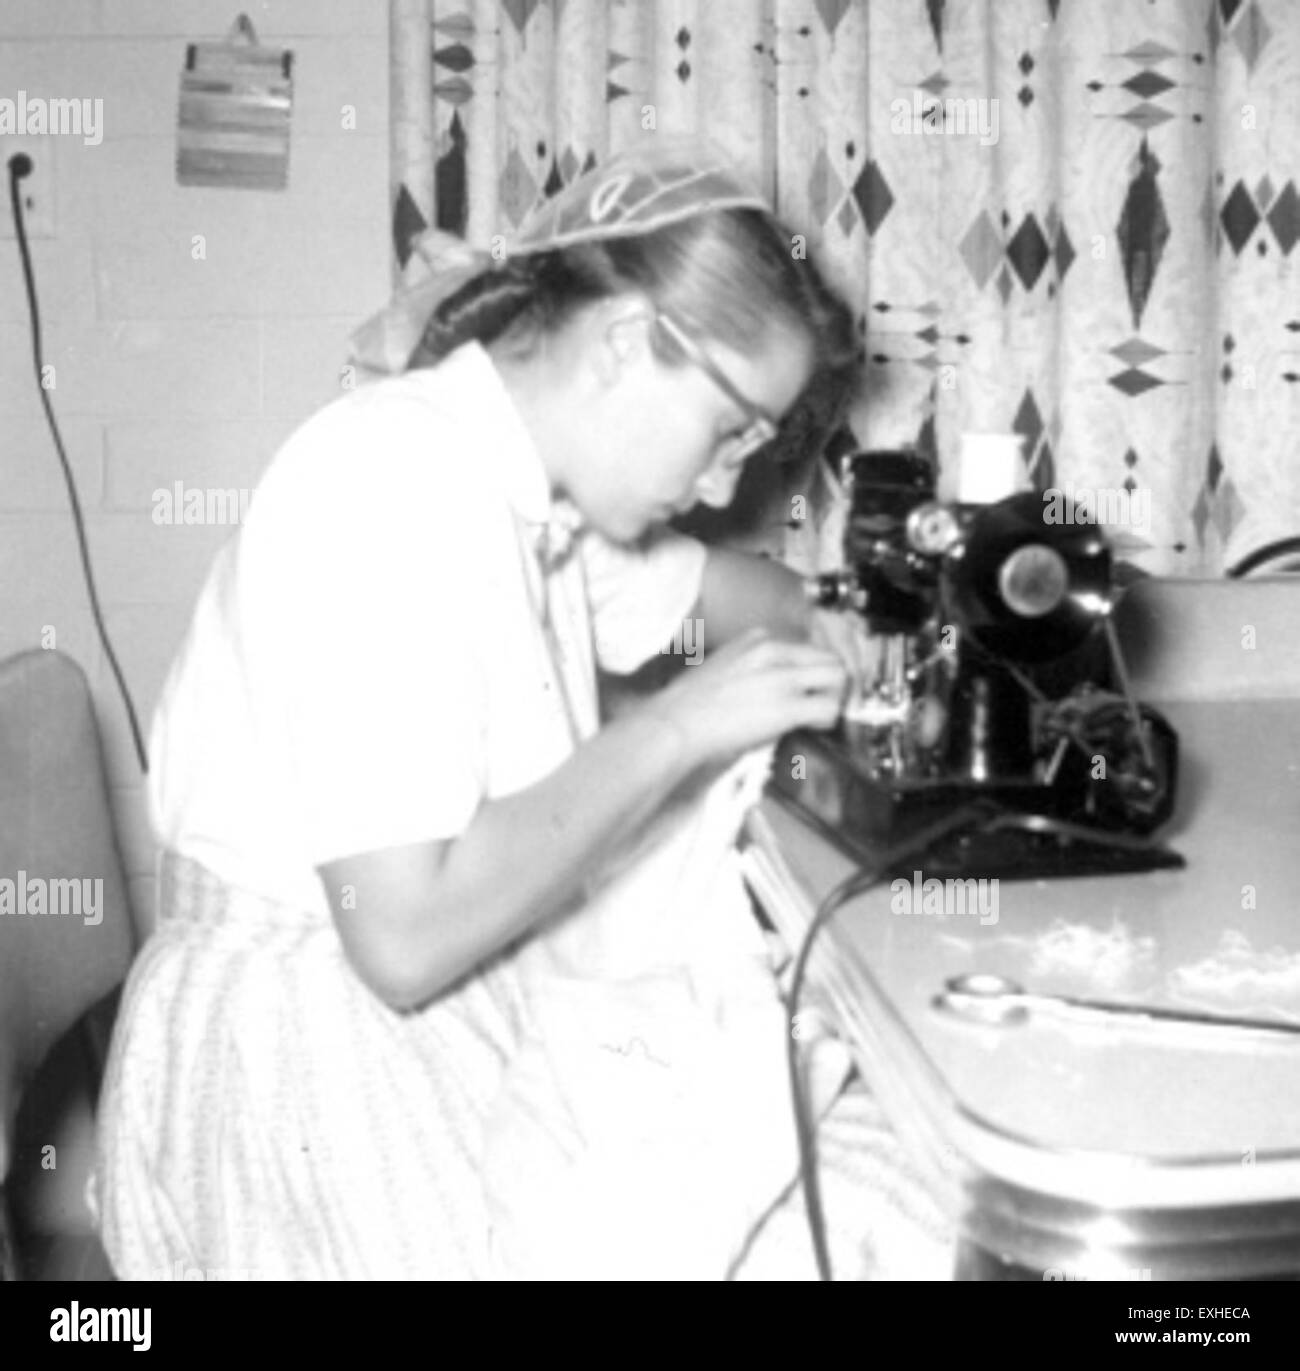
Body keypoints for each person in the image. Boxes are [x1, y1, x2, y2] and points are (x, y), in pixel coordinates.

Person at [95, 141, 952, 1280]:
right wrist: (683, 725)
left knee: (857, 1169)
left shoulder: (530, 497)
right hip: (304, 1055)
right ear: (625, 344)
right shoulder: (391, 483)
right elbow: (400, 937)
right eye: (732, 429)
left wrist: (833, 620)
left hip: (431, 1001)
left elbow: (719, 594)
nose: (722, 485)